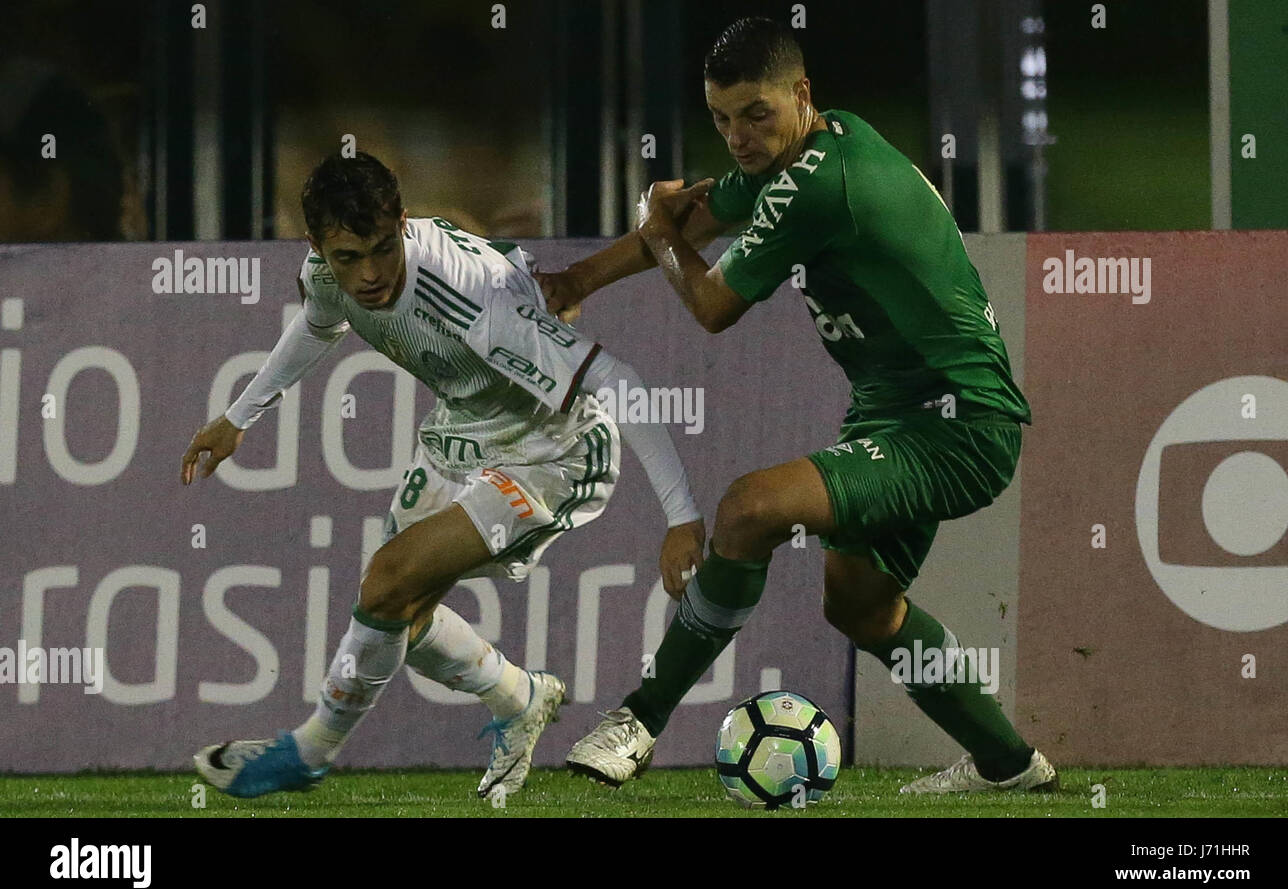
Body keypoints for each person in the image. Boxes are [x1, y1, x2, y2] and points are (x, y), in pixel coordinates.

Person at [542, 17, 1057, 795]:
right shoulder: (808, 154)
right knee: (861, 606)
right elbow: (693, 224)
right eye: (720, 119)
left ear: (801, 95)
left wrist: (656, 228)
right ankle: (1012, 766)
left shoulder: (821, 181)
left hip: (959, 427)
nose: (739, 137)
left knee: (748, 509)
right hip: (897, 414)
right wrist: (578, 281)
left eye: (756, 113)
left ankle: (637, 722)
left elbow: (710, 303)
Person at [183, 151, 705, 799]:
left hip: (556, 451)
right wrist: (238, 416)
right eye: (349, 257)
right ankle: (520, 697)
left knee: (386, 582)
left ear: (402, 222)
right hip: (462, 428)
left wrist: (681, 515)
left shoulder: (477, 300)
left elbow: (618, 382)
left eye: (381, 249)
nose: (369, 275)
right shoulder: (324, 272)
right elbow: (321, 324)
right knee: (402, 615)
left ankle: (310, 752)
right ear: (317, 245)